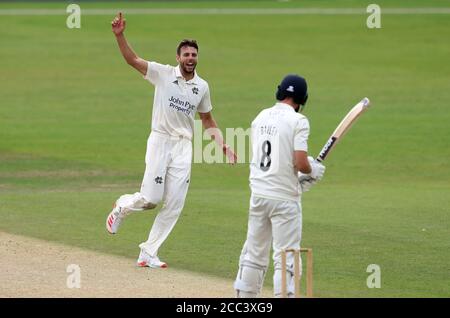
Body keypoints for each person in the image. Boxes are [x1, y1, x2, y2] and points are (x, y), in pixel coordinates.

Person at [106, 12, 237, 269]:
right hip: (160, 141)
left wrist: (222, 143)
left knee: (175, 203)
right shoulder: (163, 74)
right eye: (186, 54)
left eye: (194, 54)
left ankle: (148, 252)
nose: (191, 58)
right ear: (178, 58)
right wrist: (120, 36)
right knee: (151, 199)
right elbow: (132, 60)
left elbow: (208, 120)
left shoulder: (202, 86)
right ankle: (122, 206)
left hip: (183, 146)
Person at [233, 74, 325, 297]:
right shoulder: (299, 121)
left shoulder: (260, 117)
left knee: (254, 254)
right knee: (286, 258)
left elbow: (272, 158)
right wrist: (312, 170)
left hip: (259, 195)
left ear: (280, 92)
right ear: (302, 99)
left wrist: (300, 174)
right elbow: (301, 162)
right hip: (284, 201)